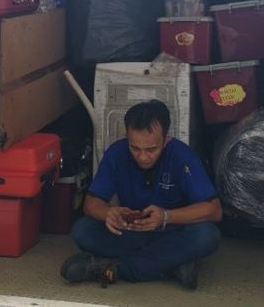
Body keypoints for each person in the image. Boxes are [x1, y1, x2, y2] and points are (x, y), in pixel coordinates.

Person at [60, 99, 222, 289]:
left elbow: (214, 210)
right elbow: (91, 203)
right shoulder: (117, 153)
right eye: (134, 148)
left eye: (151, 149)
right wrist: (108, 213)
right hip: (132, 232)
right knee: (82, 230)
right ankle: (171, 265)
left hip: (173, 231)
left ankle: (115, 269)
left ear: (166, 139)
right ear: (127, 136)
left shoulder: (182, 156)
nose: (142, 157)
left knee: (206, 235)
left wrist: (166, 216)